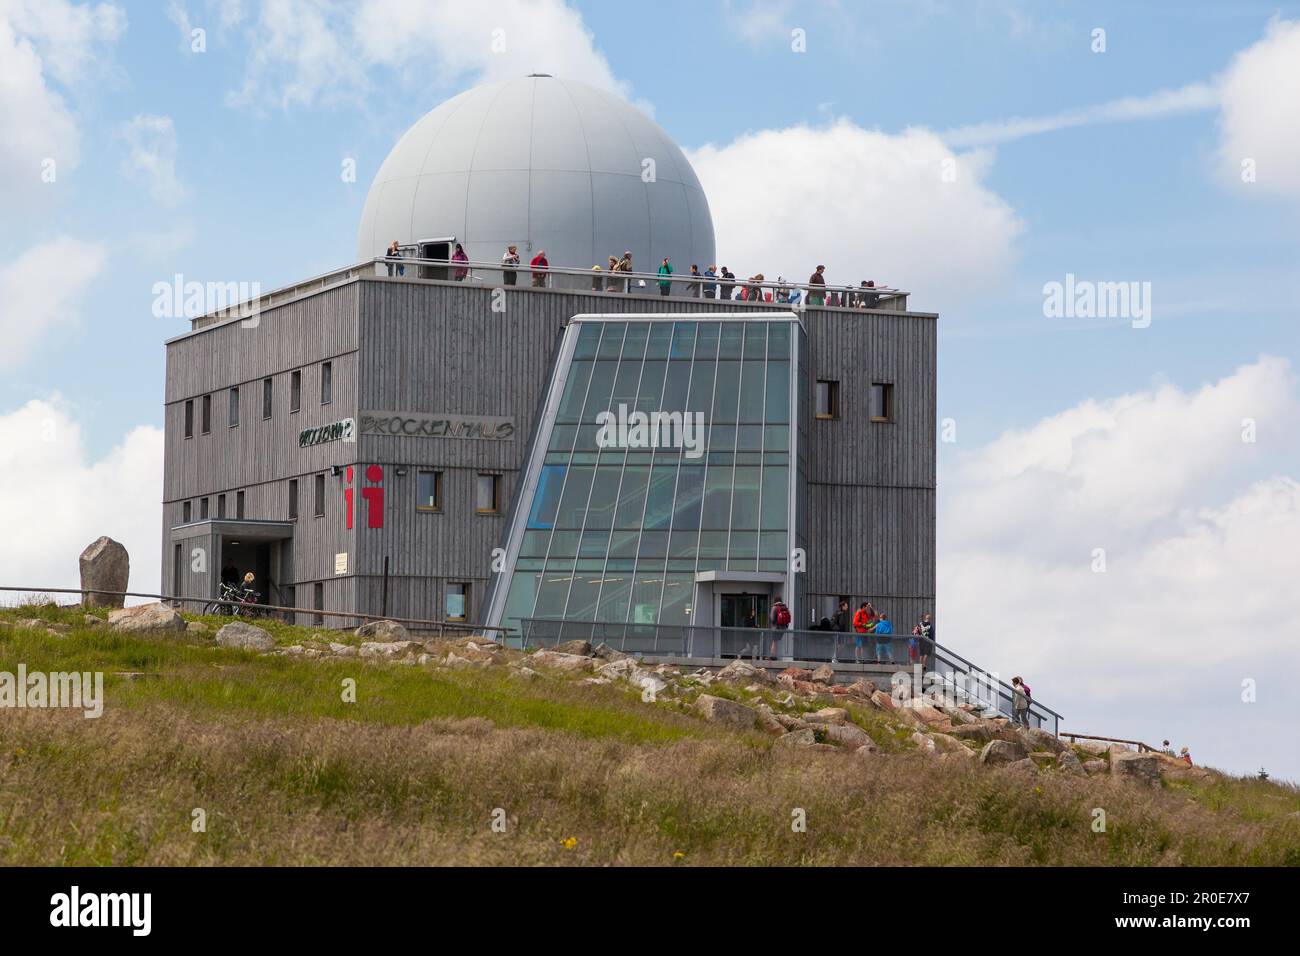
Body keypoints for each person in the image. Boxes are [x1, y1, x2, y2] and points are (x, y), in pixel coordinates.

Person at [768, 594, 791, 660]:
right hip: (783, 628)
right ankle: (775, 655)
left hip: (776, 628)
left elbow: (772, 618)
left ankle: (773, 655)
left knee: (774, 641)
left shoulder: (774, 607)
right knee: (777, 641)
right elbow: (788, 618)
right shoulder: (785, 607)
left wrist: (773, 625)